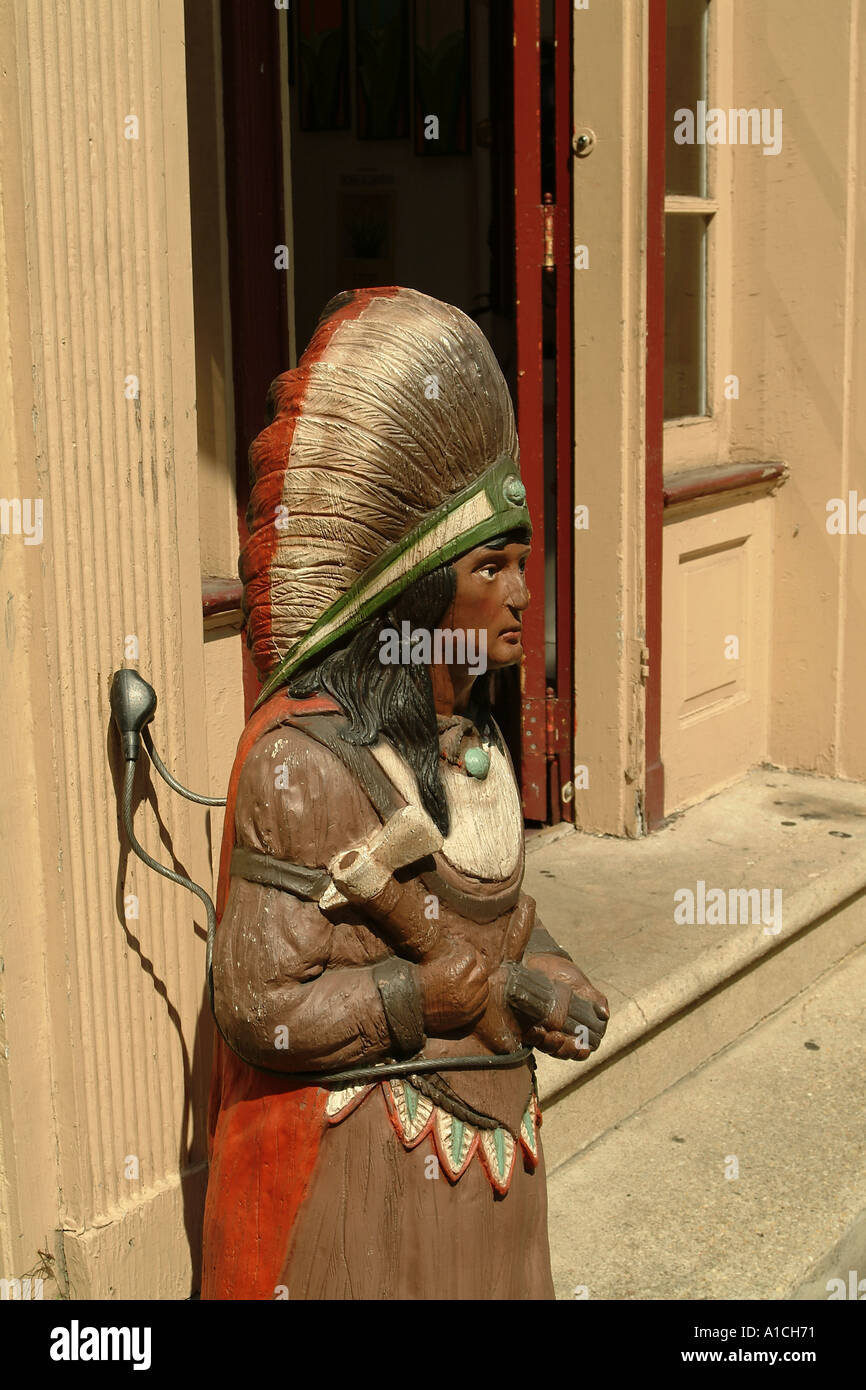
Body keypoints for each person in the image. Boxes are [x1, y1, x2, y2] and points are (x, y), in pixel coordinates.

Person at [201, 286, 609, 1300]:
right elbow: (255, 1005)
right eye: (492, 568)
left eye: (522, 564)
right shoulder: (303, 766)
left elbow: (502, 918)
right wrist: (409, 997)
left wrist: (554, 973)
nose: (521, 593)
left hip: (493, 1163)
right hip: (363, 1187)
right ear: (421, 595)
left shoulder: (471, 738)